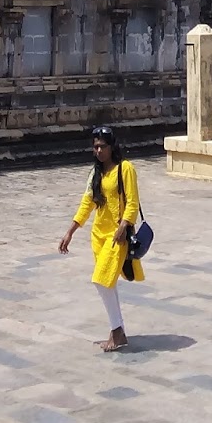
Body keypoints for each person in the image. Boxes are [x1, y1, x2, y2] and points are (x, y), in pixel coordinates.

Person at [58, 125, 143, 351]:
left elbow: (132, 202)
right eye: (95, 147)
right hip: (99, 235)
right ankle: (119, 330)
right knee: (108, 283)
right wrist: (70, 231)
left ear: (112, 147)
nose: (98, 151)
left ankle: (116, 331)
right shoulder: (96, 173)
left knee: (100, 279)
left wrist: (124, 226)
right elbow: (87, 204)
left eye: (102, 147)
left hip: (118, 236)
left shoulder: (125, 169)